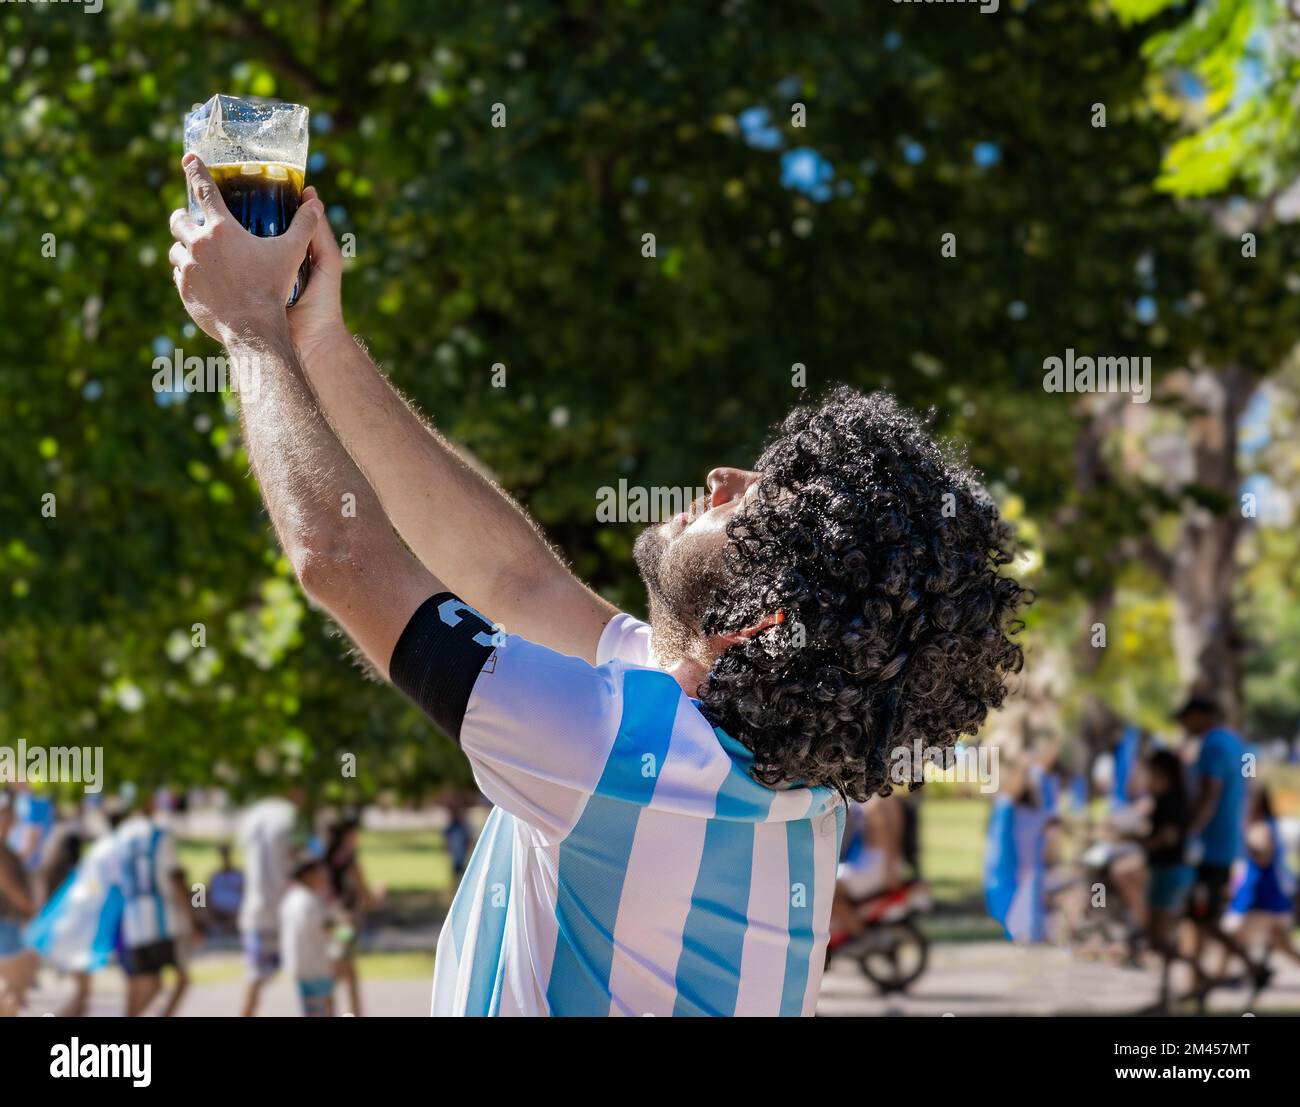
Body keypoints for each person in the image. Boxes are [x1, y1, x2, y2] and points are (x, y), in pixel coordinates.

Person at [166, 160, 1027, 1016]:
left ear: (763, 619)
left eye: (756, 497)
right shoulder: (776, 779)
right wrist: (318, 340)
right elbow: (514, 579)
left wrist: (248, 329)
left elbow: (341, 560)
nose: (723, 475)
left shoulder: (633, 754)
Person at [1176, 695, 1268, 1005]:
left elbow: (1210, 792)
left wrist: (1190, 830)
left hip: (1208, 848)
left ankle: (1252, 967)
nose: (1184, 726)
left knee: (1202, 918)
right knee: (1199, 917)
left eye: (1186, 718)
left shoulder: (1213, 745)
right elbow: (1249, 790)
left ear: (1201, 715)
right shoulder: (1237, 743)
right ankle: (1197, 983)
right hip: (1227, 844)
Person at [114, 799, 188, 1017]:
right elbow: (175, 878)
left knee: (143, 980)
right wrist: (192, 916)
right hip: (160, 919)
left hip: (132, 919)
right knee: (174, 980)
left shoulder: (121, 836)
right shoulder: (159, 834)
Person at [1220, 787, 1300, 969]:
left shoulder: (1260, 829)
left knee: (1231, 941)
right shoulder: (1270, 825)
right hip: (1275, 900)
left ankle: (1209, 983)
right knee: (1284, 946)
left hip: (1261, 900)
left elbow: (1262, 856)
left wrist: (1241, 840)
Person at [1138, 748, 1193, 1011]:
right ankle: (1163, 996)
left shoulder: (1171, 800)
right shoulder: (1165, 799)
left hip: (1171, 871)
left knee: (1159, 938)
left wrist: (1137, 840)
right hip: (1165, 870)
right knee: (1157, 939)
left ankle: (1199, 972)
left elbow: (1167, 838)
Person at [236, 793, 300, 1016]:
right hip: (286, 909)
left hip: (257, 910)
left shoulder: (253, 818)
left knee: (255, 975)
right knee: (313, 974)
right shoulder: (290, 817)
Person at [324, 817, 381, 1017]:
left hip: (330, 920)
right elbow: (365, 895)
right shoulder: (348, 859)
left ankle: (348, 1012)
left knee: (346, 971)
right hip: (346, 922)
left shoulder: (326, 857)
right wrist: (378, 894)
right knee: (341, 970)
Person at [830, 796, 904, 944]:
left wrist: (892, 872)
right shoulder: (869, 796)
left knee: (827, 892)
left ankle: (863, 936)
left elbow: (893, 834)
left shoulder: (880, 799)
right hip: (868, 861)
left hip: (877, 865)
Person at [281, 857, 336, 1018]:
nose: (323, 877)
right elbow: (324, 927)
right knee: (321, 1008)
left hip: (299, 964)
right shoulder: (310, 901)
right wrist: (344, 930)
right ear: (307, 876)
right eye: (319, 873)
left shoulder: (290, 899)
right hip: (315, 966)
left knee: (311, 1008)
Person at [207, 843, 244, 934]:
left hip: (236, 911)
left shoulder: (239, 875)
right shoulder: (215, 876)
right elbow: (207, 894)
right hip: (218, 911)